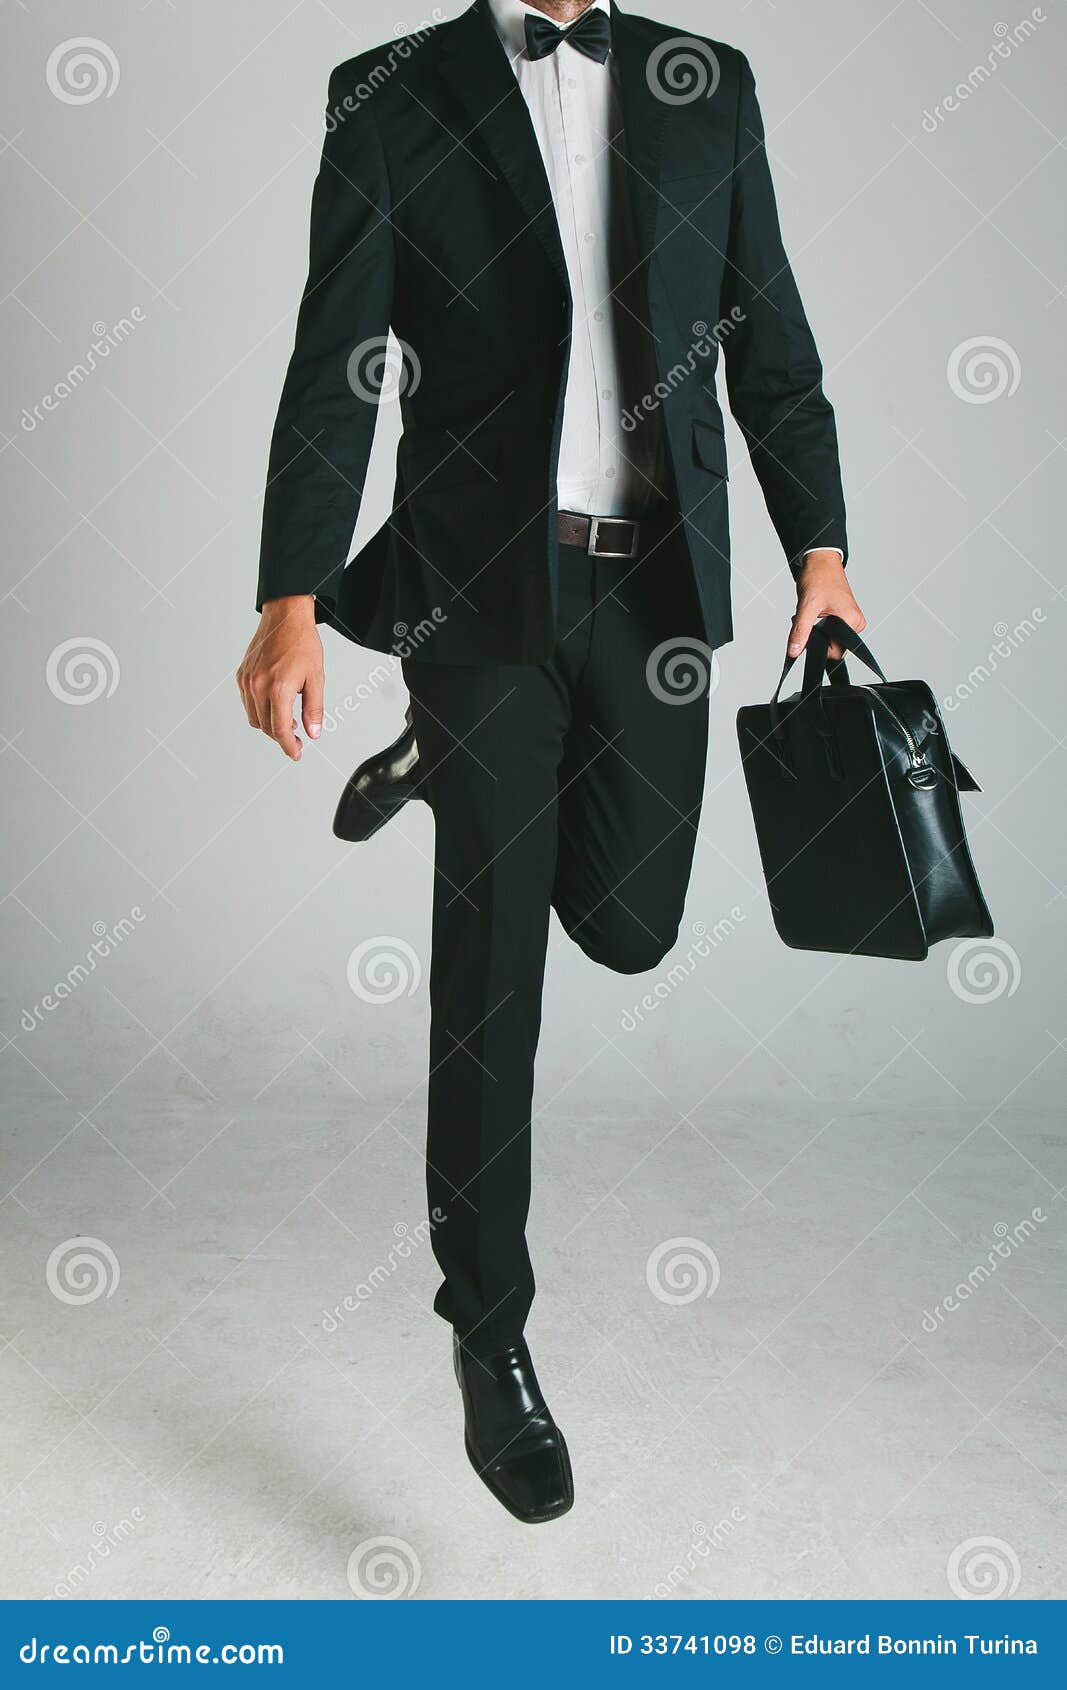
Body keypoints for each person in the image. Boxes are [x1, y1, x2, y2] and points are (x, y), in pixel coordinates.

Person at [236, 0, 866, 1523]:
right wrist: (289, 600)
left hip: (653, 586)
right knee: (493, 969)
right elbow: (339, 361)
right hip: (478, 592)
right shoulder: (387, 92)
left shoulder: (707, 85)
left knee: (633, 925)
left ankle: (435, 761)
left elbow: (769, 340)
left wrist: (823, 555)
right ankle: (490, 1331)